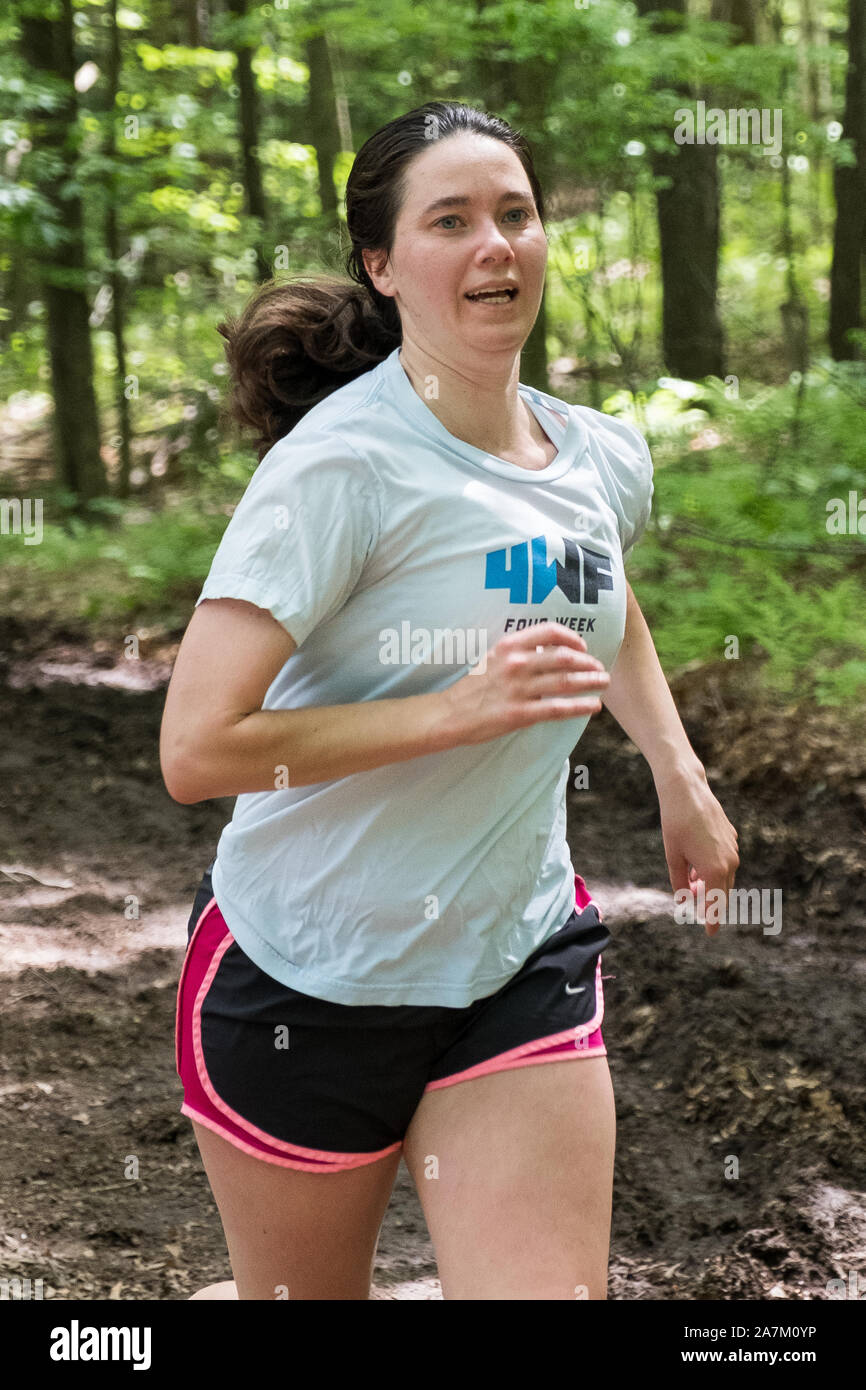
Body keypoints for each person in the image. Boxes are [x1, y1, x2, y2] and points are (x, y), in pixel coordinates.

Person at [160, 99, 739, 1301]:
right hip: (308, 973)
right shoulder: (335, 468)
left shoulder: (598, 455)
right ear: (382, 262)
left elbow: (603, 598)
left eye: (515, 215)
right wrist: (449, 711)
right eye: (452, 220)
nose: (496, 245)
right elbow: (197, 747)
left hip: (512, 950)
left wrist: (677, 775)